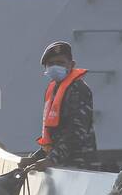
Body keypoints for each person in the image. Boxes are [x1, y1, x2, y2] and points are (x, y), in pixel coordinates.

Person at [36, 41, 99, 169]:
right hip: (61, 164)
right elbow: (54, 135)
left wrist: (51, 160)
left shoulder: (78, 89)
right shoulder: (54, 90)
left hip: (80, 167)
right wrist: (36, 158)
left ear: (71, 65)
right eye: (51, 64)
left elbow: (76, 132)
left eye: (60, 63)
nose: (55, 67)